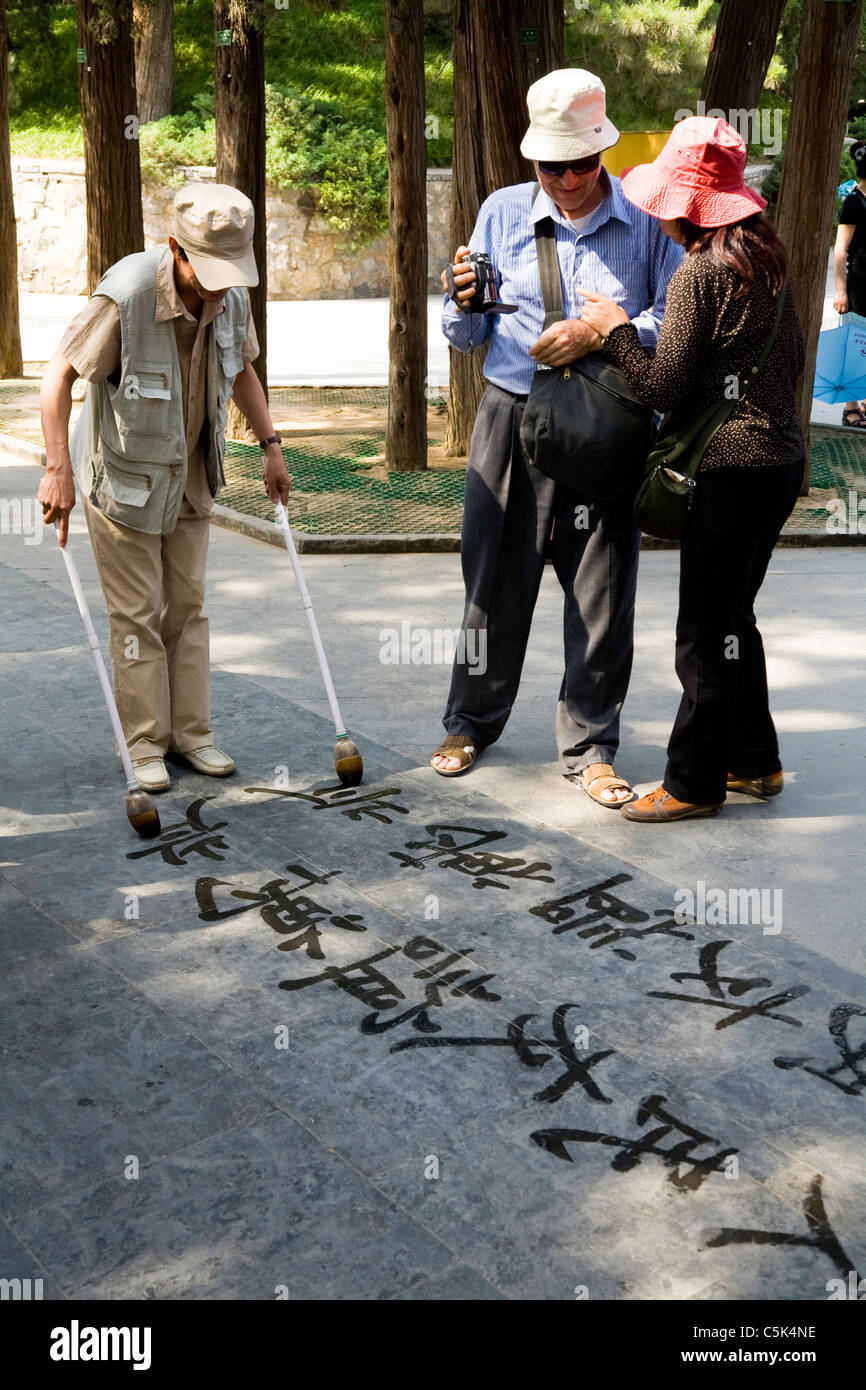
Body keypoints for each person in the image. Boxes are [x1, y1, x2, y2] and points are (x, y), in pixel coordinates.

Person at [430, 69, 683, 808]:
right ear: (532, 161)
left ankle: (592, 743)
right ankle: (469, 720)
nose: (567, 178)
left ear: (601, 152)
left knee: (601, 594)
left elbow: (676, 319)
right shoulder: (503, 212)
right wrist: (460, 301)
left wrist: (605, 331)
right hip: (513, 418)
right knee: (492, 585)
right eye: (551, 165)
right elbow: (465, 334)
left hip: (607, 424)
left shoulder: (642, 218)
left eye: (580, 163)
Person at [577, 117, 805, 822]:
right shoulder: (767, 261)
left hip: (729, 473)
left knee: (704, 635)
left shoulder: (699, 274)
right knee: (735, 618)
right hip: (780, 464)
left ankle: (692, 784)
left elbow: (659, 386)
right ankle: (755, 762)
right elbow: (787, 364)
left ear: (686, 206)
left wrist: (614, 330)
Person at [38, 183, 291, 793]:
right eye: (207, 271)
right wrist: (56, 469)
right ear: (176, 249)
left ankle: (192, 735)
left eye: (231, 273)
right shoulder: (125, 294)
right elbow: (58, 375)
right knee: (137, 617)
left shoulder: (229, 295)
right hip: (122, 481)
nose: (219, 286)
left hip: (193, 477)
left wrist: (270, 445)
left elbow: (243, 369)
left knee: (188, 609)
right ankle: (146, 742)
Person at [832, 141, 866, 427]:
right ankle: (850, 406)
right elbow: (840, 249)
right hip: (860, 282)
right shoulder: (854, 201)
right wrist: (841, 290)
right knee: (857, 343)